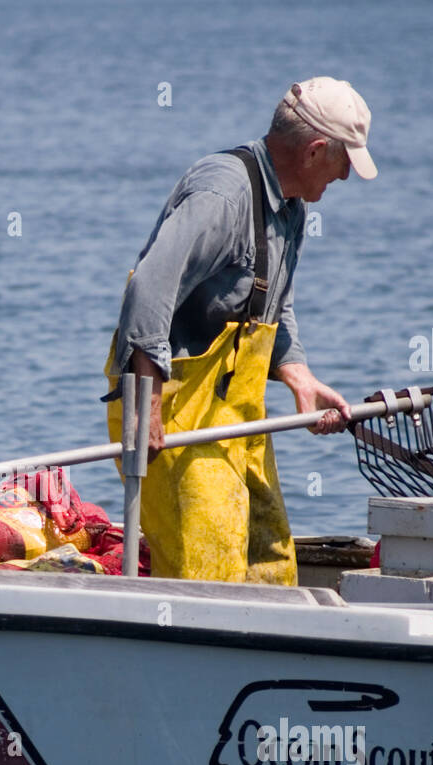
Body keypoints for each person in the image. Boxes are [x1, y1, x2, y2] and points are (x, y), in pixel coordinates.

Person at [104, 77, 376, 585]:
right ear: (316, 150)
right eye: (345, 163)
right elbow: (149, 288)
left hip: (235, 412)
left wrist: (299, 377)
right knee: (211, 564)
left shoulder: (292, 208)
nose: (345, 178)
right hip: (175, 415)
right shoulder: (222, 195)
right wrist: (150, 403)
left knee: (269, 554)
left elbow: (275, 302)